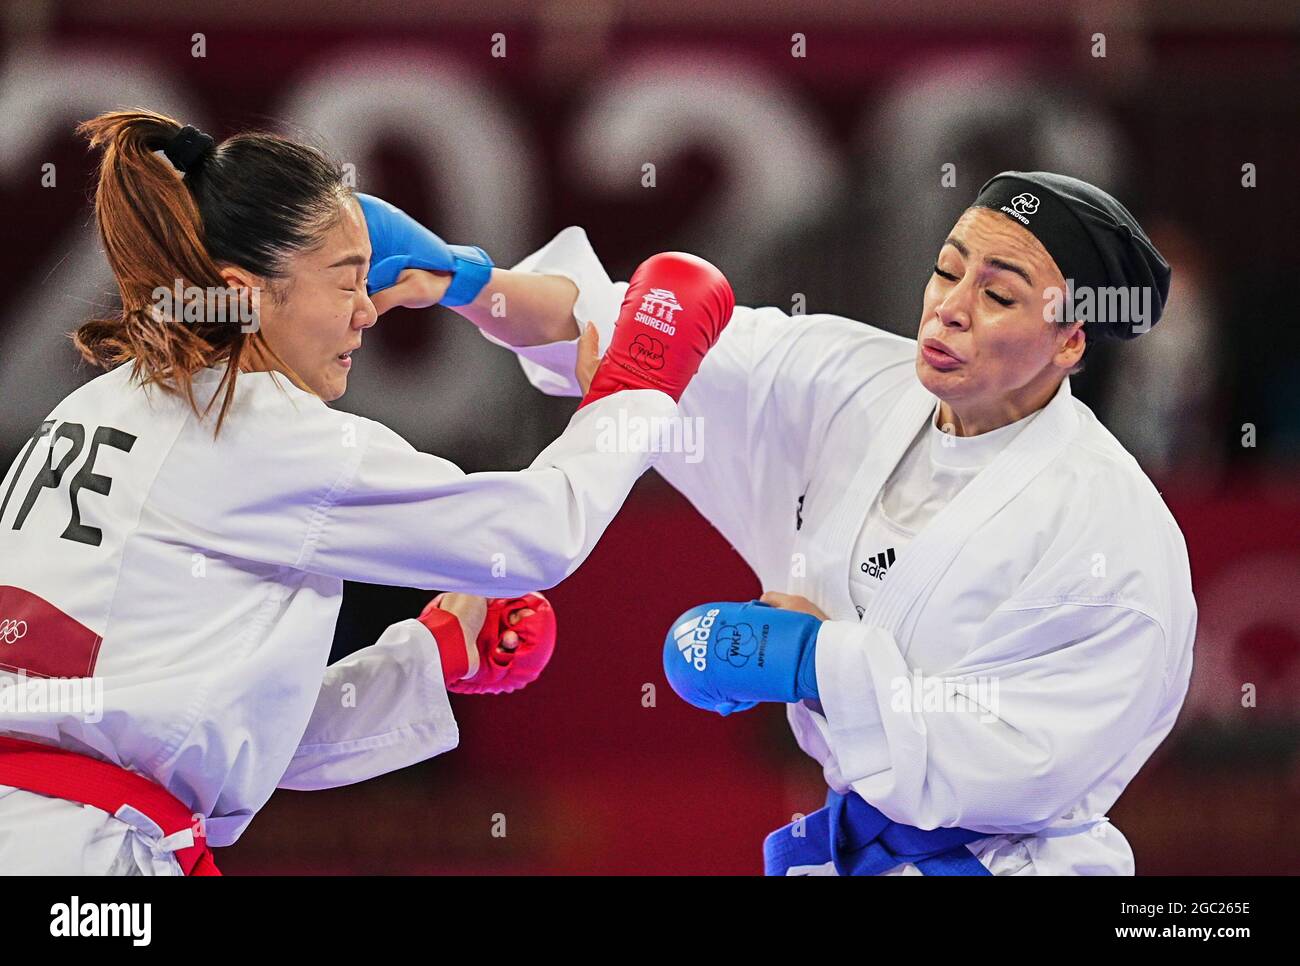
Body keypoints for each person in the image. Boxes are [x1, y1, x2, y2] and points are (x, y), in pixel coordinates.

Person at [0, 110, 733, 874]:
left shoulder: (91, 409)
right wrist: (638, 387)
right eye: (347, 280)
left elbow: (235, 734)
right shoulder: (262, 431)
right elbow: (536, 535)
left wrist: (433, 655)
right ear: (243, 294)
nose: (366, 310)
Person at [448, 170, 1197, 876]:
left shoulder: (1112, 530)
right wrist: (464, 280)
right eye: (947, 269)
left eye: (998, 296)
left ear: (1071, 341)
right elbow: (641, 335)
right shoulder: (851, 381)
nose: (951, 307)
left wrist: (817, 661)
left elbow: (1026, 766)